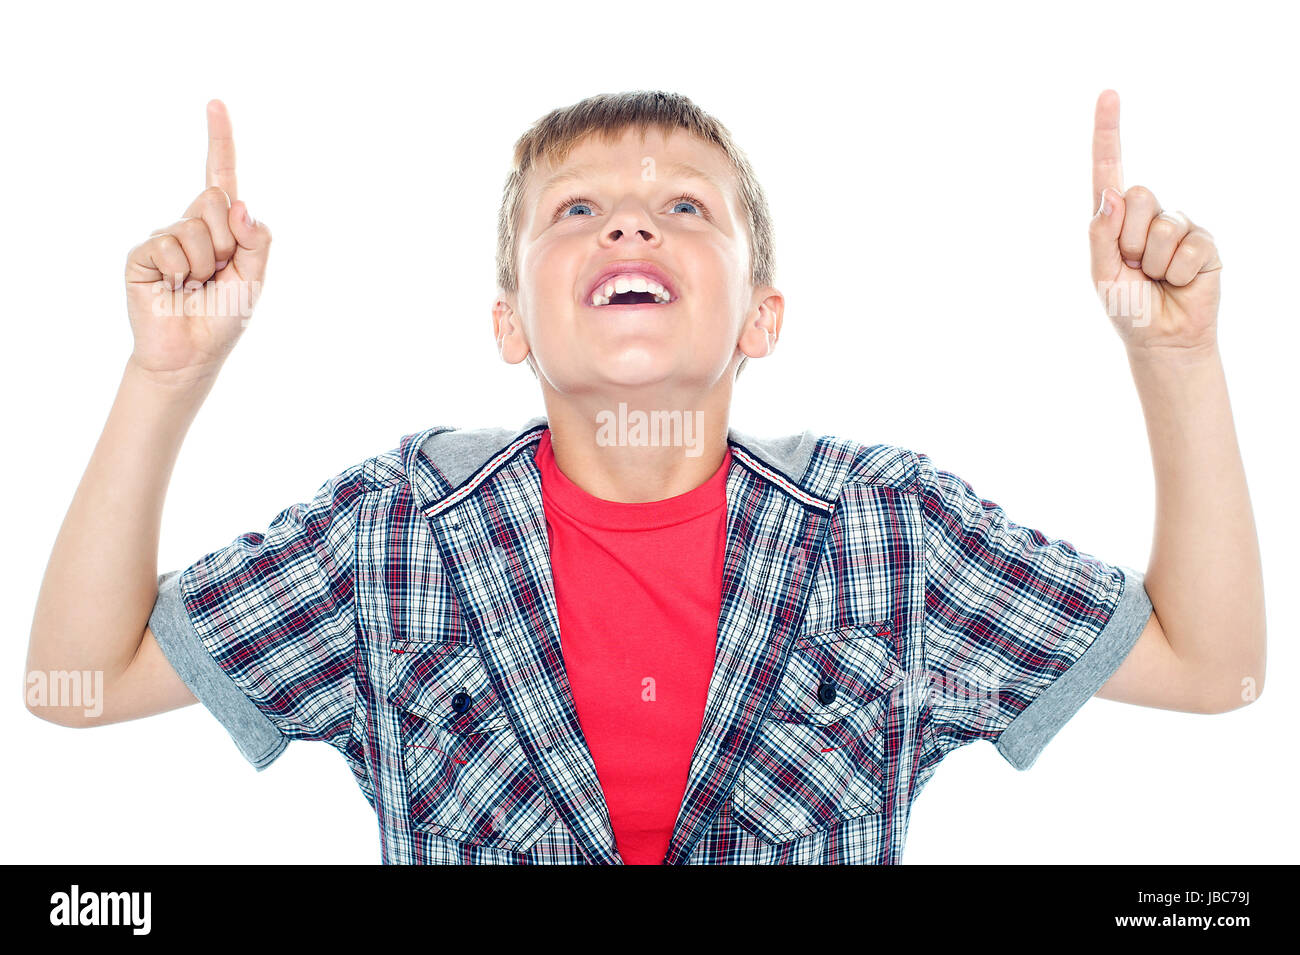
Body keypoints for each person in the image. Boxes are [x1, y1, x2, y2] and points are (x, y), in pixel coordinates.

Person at [25, 90, 1266, 865]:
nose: (628, 225)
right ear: (510, 321)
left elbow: (1216, 667)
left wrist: (1174, 352)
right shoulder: (389, 535)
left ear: (761, 317)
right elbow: (73, 684)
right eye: (575, 210)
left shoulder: (895, 536)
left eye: (683, 205)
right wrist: (167, 374)